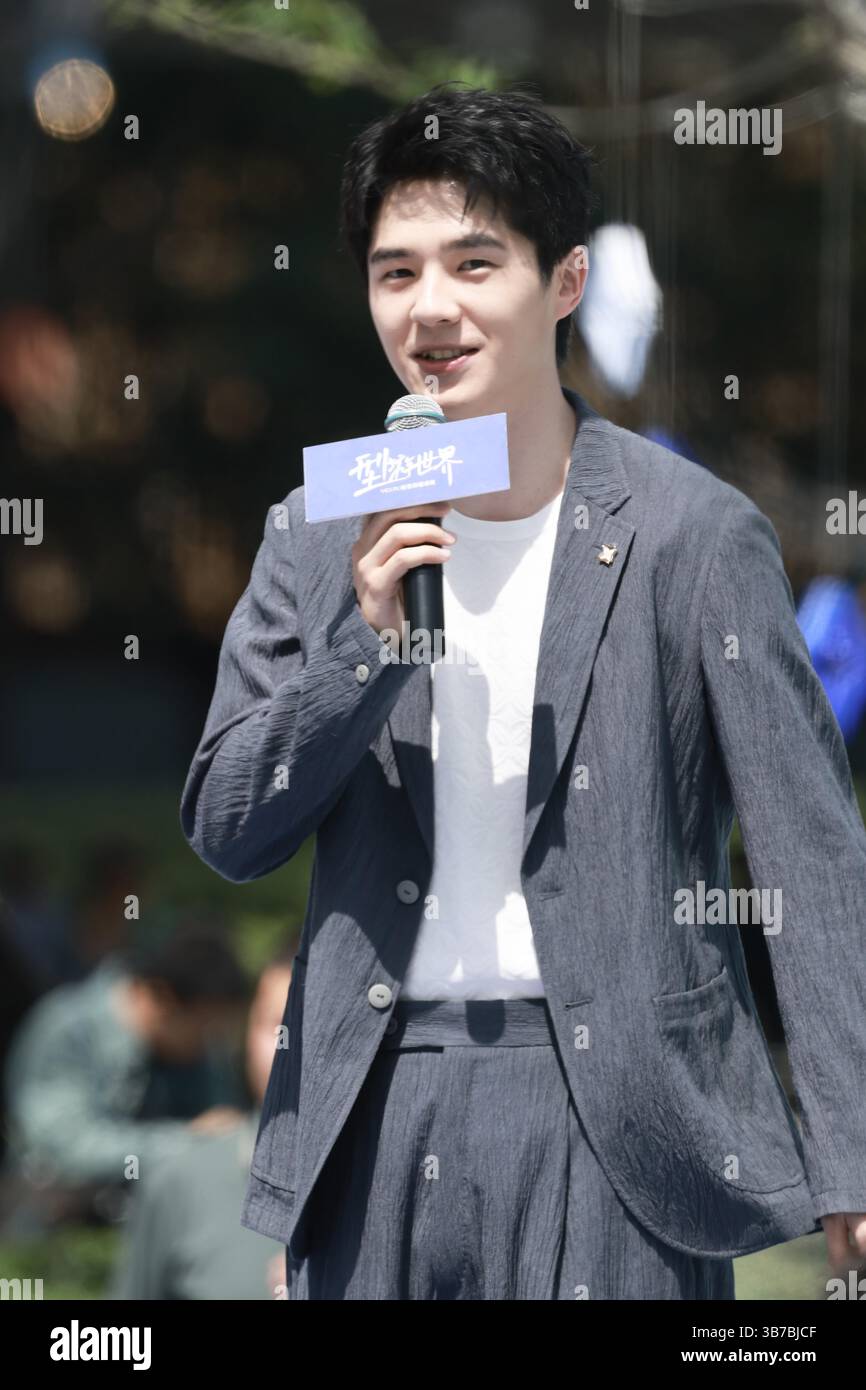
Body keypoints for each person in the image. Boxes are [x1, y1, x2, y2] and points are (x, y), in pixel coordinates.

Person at [180, 83, 866, 1300]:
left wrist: (850, 1154)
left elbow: (808, 859)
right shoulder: (317, 529)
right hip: (374, 1104)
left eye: (472, 263)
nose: (429, 308)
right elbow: (230, 827)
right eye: (394, 274)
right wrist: (362, 646)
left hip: (618, 1120)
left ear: (561, 283)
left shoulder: (690, 535)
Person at [2, 921, 247, 1232]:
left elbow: (222, 1131)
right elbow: (65, 1152)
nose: (213, 1043)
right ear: (162, 1001)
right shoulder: (67, 1030)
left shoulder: (196, 1051)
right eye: (206, 1028)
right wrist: (190, 1140)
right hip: (50, 1236)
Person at [110, 948, 294, 1300]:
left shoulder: (410, 1183)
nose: (293, 1046)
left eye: (323, 1025)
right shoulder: (178, 1180)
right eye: (278, 1024)